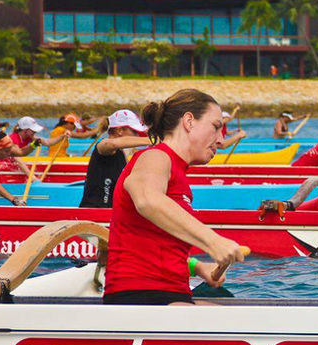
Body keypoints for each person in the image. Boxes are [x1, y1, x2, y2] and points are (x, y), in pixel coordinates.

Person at [103, 89, 246, 305]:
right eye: (216, 127)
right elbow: (147, 200)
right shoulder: (155, 156)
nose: (221, 139)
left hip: (171, 294)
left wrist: (197, 267)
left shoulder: (177, 170)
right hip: (139, 297)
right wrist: (213, 242)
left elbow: (153, 242)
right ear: (189, 121)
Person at [79, 109, 152, 208]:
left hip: (110, 211)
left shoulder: (121, 153)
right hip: (93, 211)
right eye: (134, 131)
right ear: (119, 130)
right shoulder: (103, 147)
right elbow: (111, 143)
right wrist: (151, 140)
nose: (137, 136)